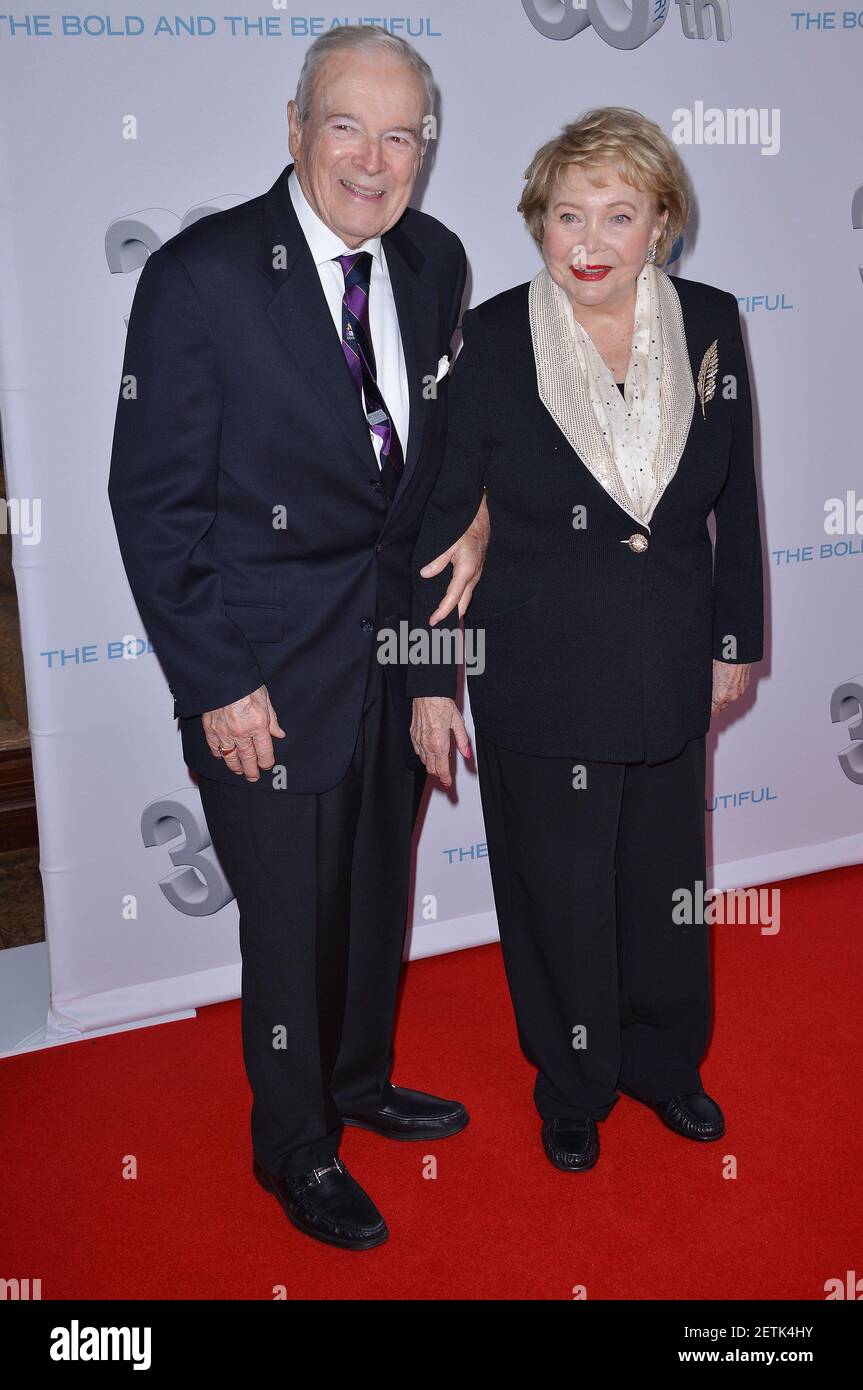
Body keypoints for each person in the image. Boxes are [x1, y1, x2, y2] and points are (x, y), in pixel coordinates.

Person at [108, 25, 489, 1249]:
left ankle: (358, 1082)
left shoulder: (434, 262)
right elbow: (153, 505)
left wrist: (436, 679)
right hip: (261, 674)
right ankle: (295, 1146)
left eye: (401, 136)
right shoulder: (202, 276)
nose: (374, 162)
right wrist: (217, 682)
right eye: (347, 126)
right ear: (292, 127)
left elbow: (430, 499)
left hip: (392, 657)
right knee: (289, 924)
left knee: (376, 894)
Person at [408, 107, 764, 1172]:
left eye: (618, 214)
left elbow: (731, 500)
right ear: (537, 223)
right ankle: (571, 1080)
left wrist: (733, 634)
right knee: (558, 894)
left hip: (667, 661)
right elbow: (440, 521)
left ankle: (663, 1064)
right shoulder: (489, 333)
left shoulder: (708, 321)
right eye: (567, 214)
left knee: (663, 881)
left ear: (662, 223)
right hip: (540, 670)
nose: (589, 240)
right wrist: (431, 686)